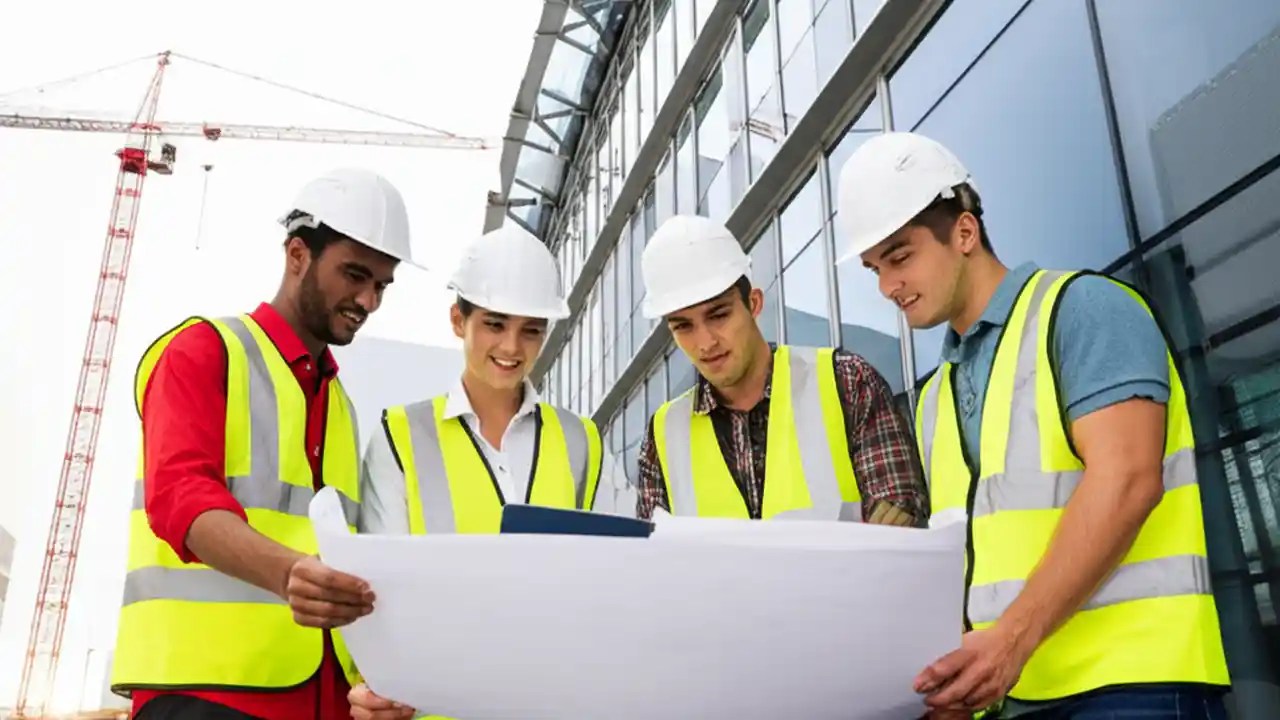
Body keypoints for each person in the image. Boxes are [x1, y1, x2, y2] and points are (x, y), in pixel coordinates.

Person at [834, 131, 1231, 718]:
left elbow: (1128, 480)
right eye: (874, 269)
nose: (887, 286)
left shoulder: (1085, 309)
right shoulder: (933, 397)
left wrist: (1010, 640)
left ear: (964, 233)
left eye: (900, 256)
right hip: (1012, 696)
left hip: (1133, 684)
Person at [110, 168, 418, 720]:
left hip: (320, 701)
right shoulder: (204, 351)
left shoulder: (342, 404)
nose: (368, 300)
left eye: (381, 285)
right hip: (204, 693)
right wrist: (287, 574)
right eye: (354, 275)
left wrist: (372, 681)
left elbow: (347, 558)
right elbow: (178, 497)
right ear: (297, 254)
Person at [345, 224, 633, 720]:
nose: (512, 346)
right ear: (459, 321)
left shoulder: (581, 441)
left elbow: (623, 576)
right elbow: (376, 593)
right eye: (496, 324)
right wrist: (375, 687)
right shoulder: (401, 436)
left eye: (531, 329)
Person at [634, 214, 928, 527]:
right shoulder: (663, 436)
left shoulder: (848, 384)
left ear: (755, 303)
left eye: (718, 315)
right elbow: (657, 563)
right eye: (684, 327)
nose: (705, 343)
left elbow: (898, 535)